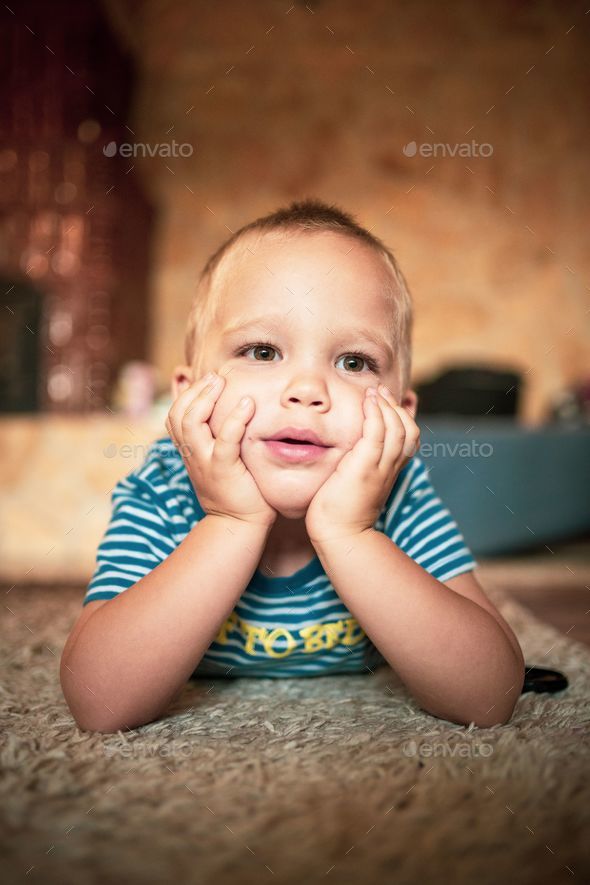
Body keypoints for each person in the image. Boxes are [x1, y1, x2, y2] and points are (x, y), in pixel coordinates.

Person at [60, 198, 525, 733]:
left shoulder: (398, 492)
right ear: (187, 395)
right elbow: (99, 703)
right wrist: (231, 522)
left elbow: (489, 698)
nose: (307, 390)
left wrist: (349, 533)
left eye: (354, 362)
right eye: (262, 352)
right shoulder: (164, 484)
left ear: (401, 412)